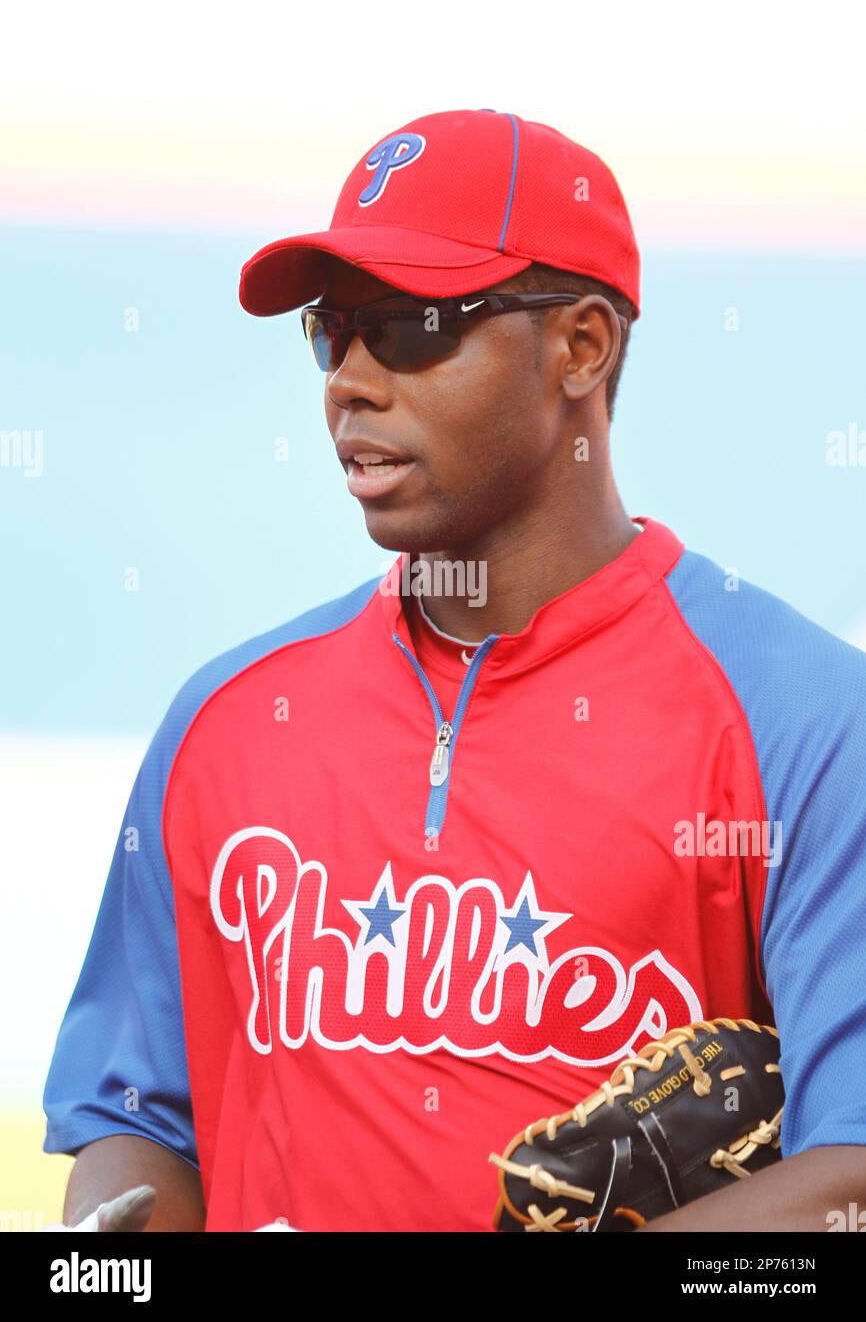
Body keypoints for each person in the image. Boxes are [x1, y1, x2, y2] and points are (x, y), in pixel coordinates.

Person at [43, 109, 866, 1233]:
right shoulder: (226, 726)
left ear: (581, 346)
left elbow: (847, 1190)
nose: (351, 381)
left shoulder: (800, 720)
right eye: (331, 334)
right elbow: (135, 1118)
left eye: (412, 325)